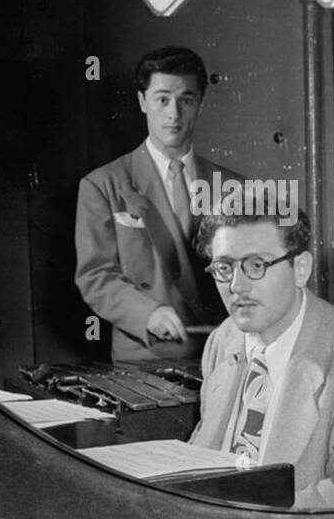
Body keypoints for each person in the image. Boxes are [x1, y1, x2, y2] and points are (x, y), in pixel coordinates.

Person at [191, 208, 334, 510]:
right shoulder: (223, 340)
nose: (237, 286)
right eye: (224, 267)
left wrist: (244, 517)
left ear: (301, 269)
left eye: (256, 265)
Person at [75, 47, 242, 364]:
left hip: (224, 355)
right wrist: (147, 313)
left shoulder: (234, 186)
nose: (173, 114)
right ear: (142, 102)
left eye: (186, 100)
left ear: (200, 103)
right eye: (162, 99)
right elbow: (95, 275)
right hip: (145, 357)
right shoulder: (102, 185)